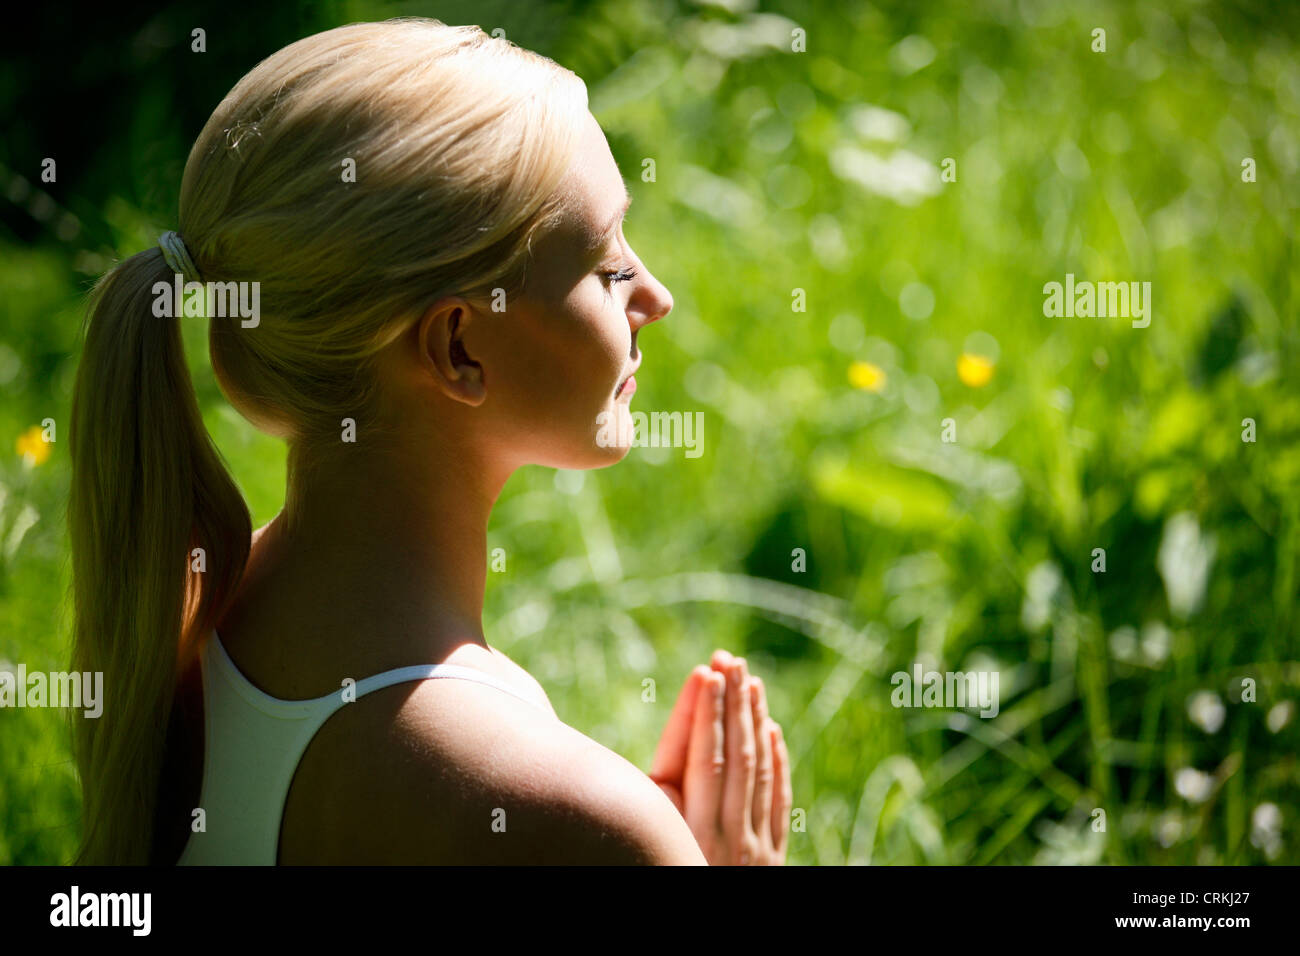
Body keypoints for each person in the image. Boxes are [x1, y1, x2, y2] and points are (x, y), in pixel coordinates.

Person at [68, 18, 791, 865]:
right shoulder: (577, 816)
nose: (655, 296)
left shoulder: (185, 615)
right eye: (606, 267)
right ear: (457, 346)